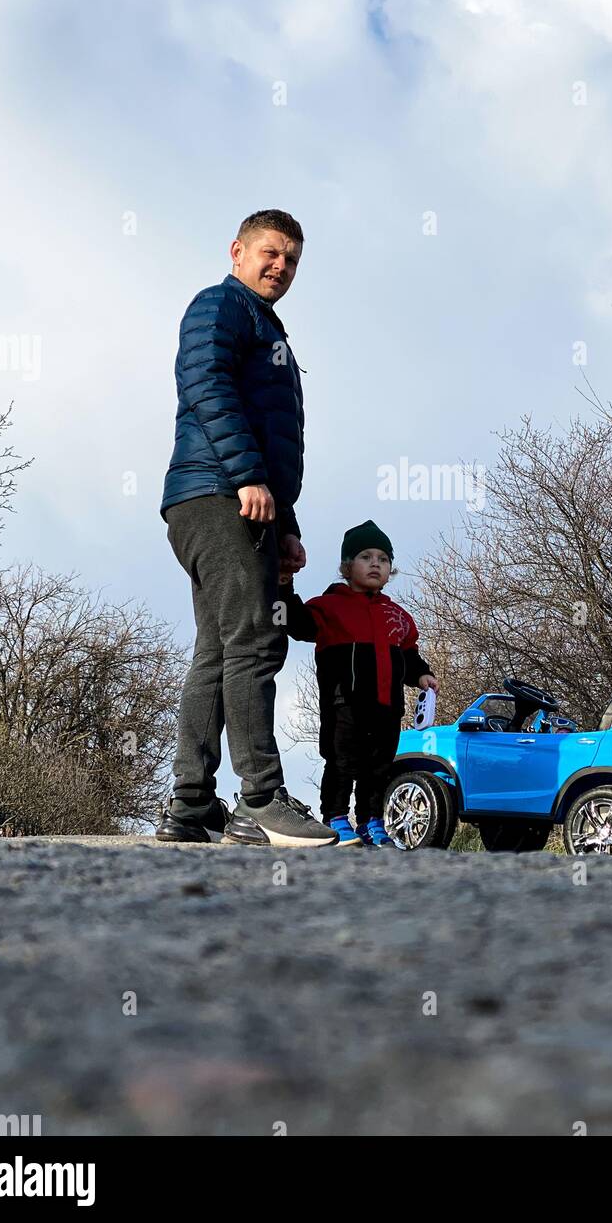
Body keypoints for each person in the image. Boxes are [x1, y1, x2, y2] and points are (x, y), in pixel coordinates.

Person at [156, 209, 336, 848]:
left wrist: (285, 524)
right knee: (258, 640)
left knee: (221, 648)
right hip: (217, 496)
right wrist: (248, 480)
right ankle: (259, 800)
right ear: (237, 251)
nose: (280, 267)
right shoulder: (219, 306)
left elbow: (271, 433)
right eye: (270, 252)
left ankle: (190, 807)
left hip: (235, 500)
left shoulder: (266, 326)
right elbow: (206, 384)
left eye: (291, 259)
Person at [279, 521, 438, 848]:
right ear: (347, 566)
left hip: (387, 708)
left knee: (378, 768)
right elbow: (294, 624)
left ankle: (371, 821)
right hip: (344, 705)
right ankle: (335, 818)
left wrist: (421, 674)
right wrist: (283, 585)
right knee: (340, 761)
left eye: (383, 558)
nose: (376, 563)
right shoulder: (328, 607)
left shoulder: (399, 616)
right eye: (366, 556)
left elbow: (408, 654)